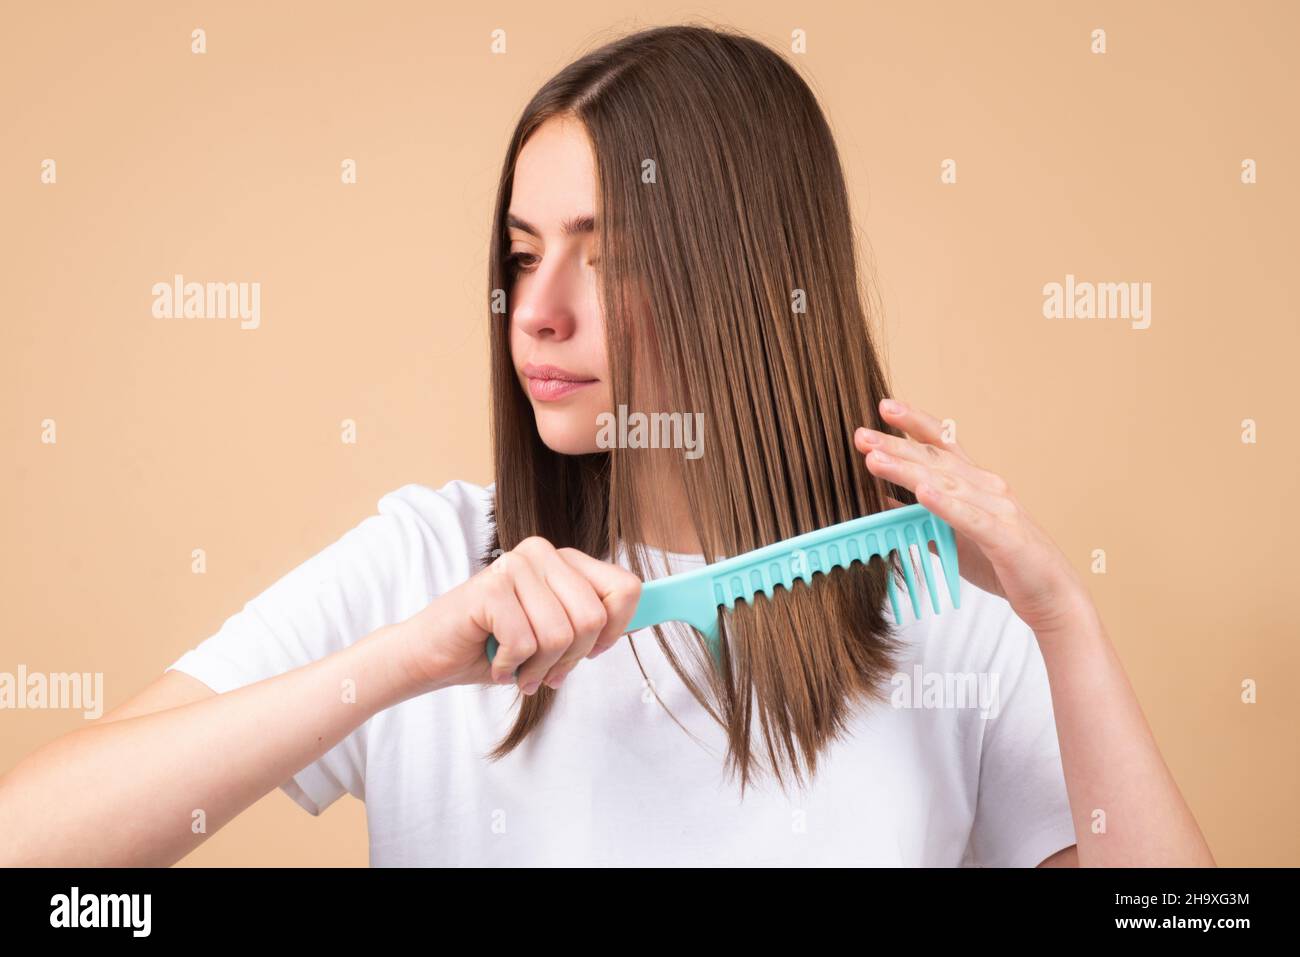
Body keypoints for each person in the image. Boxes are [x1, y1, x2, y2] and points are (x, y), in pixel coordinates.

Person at [0, 24, 1214, 867]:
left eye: (608, 251)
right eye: (524, 253)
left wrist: (1067, 627)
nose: (538, 308)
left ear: (751, 278)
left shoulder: (949, 628)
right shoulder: (428, 567)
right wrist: (400, 663)